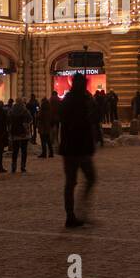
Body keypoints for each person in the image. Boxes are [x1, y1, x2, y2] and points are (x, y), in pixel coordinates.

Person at [59, 74, 97, 228]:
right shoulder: (80, 101)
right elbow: (86, 123)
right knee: (86, 179)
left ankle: (72, 214)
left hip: (70, 148)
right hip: (78, 149)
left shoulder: (70, 100)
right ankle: (76, 213)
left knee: (71, 182)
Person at [8, 97, 32, 173]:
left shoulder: (12, 110)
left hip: (14, 132)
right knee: (24, 151)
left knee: (15, 151)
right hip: (23, 133)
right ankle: (22, 166)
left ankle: (14, 166)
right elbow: (30, 119)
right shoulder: (24, 110)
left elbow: (8, 120)